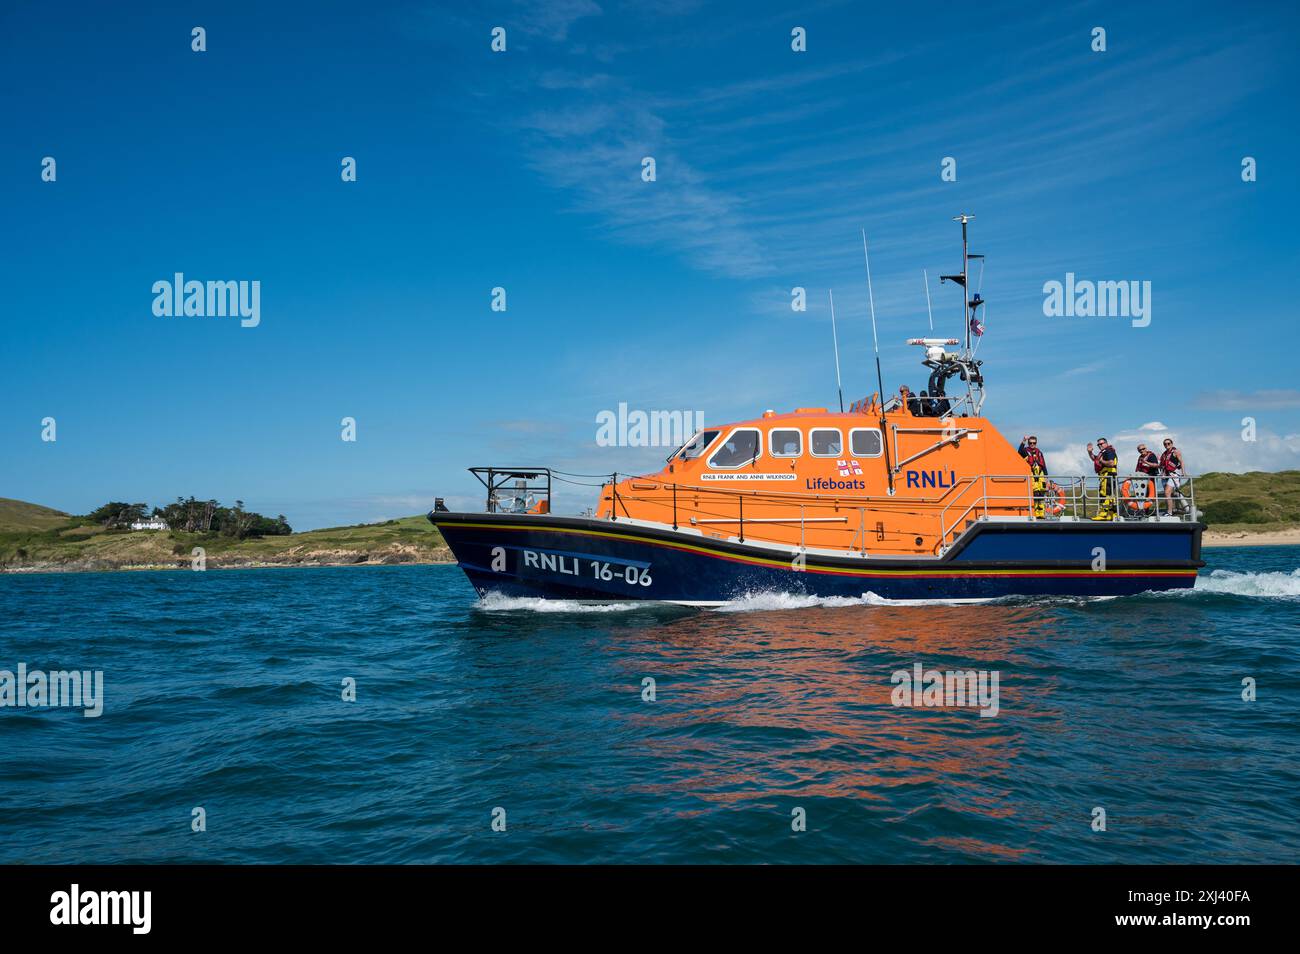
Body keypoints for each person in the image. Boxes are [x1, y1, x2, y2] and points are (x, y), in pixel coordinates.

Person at [1087, 437, 1118, 520]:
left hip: (1108, 475)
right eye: (1098, 445)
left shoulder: (1109, 451)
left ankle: (1103, 514)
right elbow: (1095, 459)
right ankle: (1112, 514)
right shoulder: (1104, 452)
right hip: (1105, 476)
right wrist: (1090, 452)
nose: (1100, 445)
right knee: (1109, 495)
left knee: (1105, 495)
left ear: (1106, 443)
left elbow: (1111, 463)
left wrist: (1101, 461)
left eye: (1101, 443)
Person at [1018, 435, 1049, 518]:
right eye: (1030, 443)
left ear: (1036, 443)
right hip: (1032, 475)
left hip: (1040, 475)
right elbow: (1019, 452)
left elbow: (1044, 465)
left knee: (1041, 494)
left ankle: (1041, 514)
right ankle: (1036, 514)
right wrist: (1023, 441)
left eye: (1034, 443)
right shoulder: (1025, 451)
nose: (1032, 444)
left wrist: (1046, 477)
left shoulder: (1039, 452)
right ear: (1028, 443)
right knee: (1034, 494)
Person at [1159, 438, 1187, 516]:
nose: (1166, 445)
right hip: (1165, 475)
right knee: (1167, 494)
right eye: (1165, 444)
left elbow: (1181, 462)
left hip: (1173, 475)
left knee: (1167, 492)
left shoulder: (1175, 452)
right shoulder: (1164, 454)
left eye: (1168, 443)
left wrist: (1183, 472)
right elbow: (1162, 465)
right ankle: (1170, 510)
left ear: (1172, 444)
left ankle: (1169, 512)